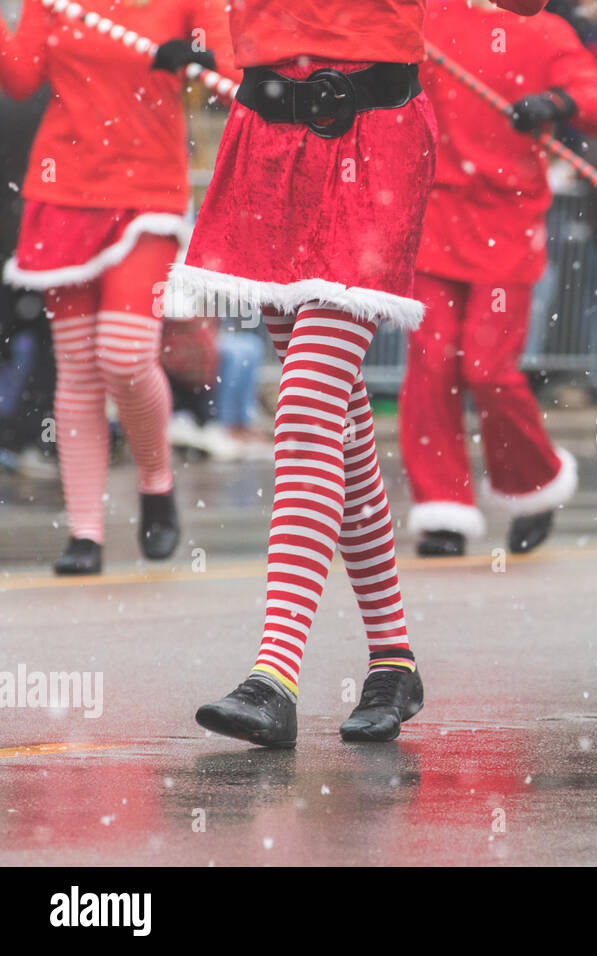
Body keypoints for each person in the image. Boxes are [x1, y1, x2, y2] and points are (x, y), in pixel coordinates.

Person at [177, 0, 546, 748]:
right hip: (266, 139)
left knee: (310, 405)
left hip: (372, 139)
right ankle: (393, 660)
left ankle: (274, 676)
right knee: (338, 420)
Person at [0, 0, 233, 574]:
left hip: (148, 193)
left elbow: (232, 78)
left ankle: (156, 479)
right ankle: (86, 534)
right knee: (78, 368)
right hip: (62, 194)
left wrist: (200, 56)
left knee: (125, 356)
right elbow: (20, 76)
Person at [399, 0, 597, 558]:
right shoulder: (421, 18)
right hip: (432, 219)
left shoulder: (544, 31)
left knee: (488, 369)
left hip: (507, 224)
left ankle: (531, 483)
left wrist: (556, 102)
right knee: (430, 368)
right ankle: (442, 512)